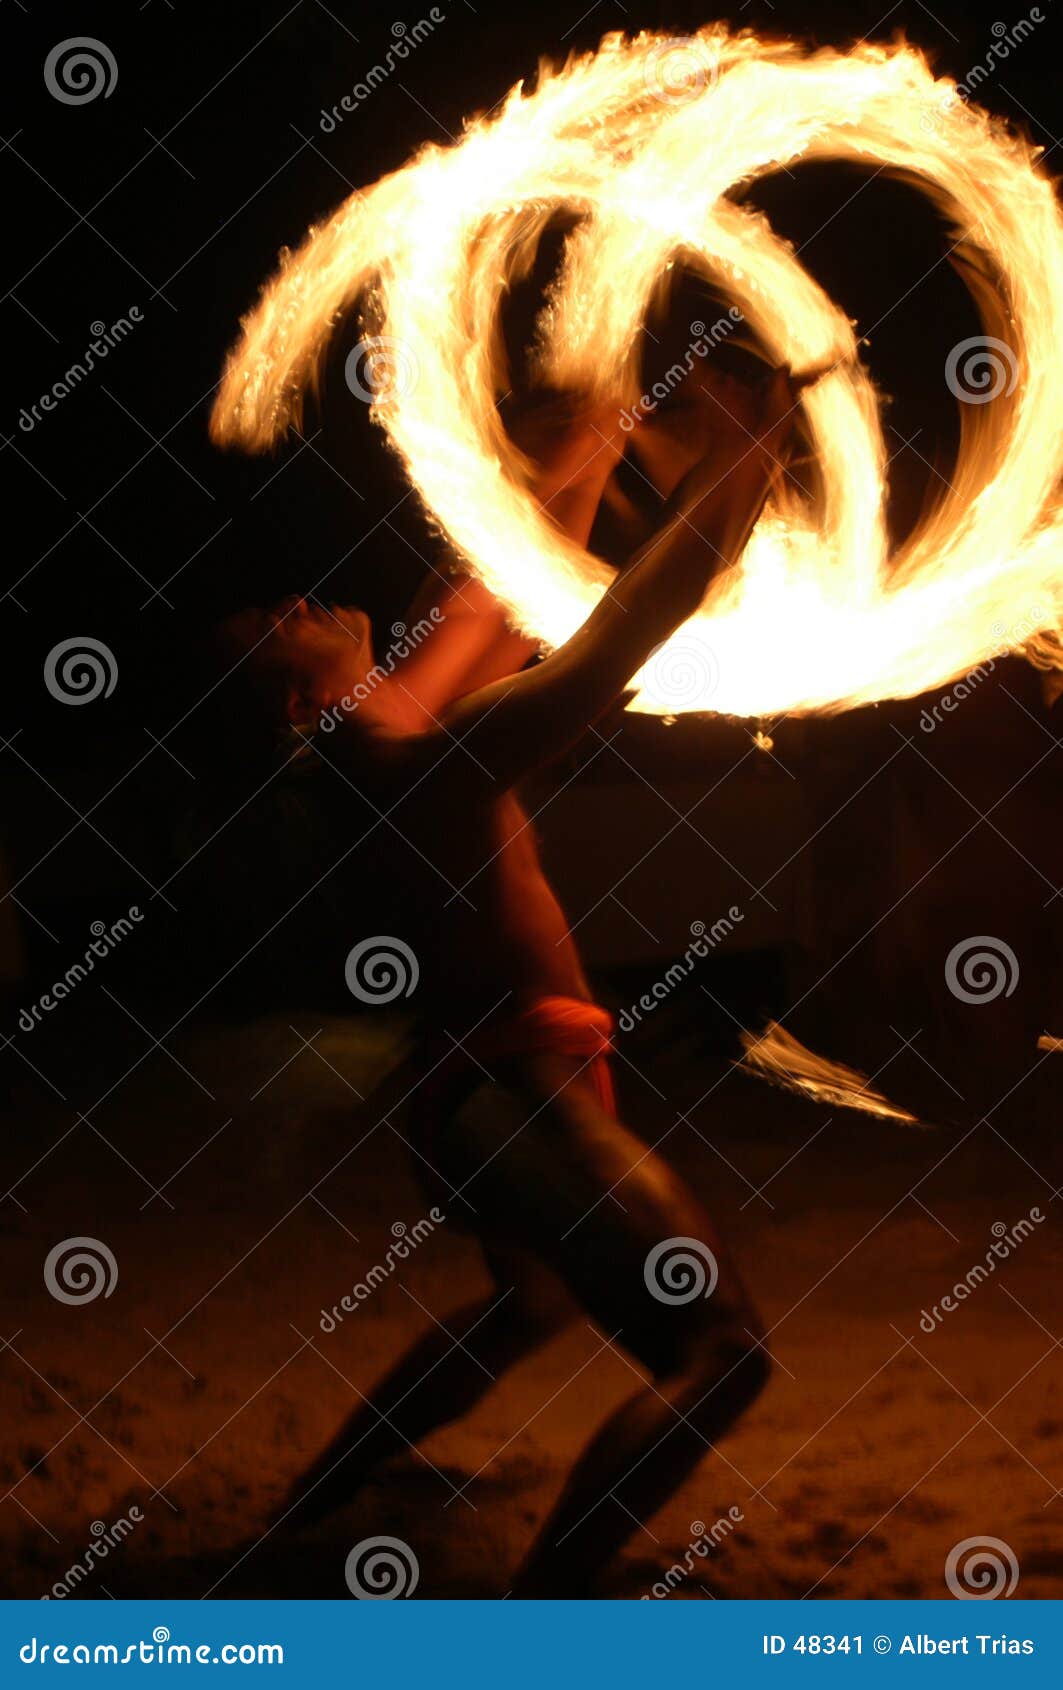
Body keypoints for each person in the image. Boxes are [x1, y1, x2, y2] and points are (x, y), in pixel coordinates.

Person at [216, 361, 803, 1595]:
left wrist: (588, 444)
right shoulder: (415, 769)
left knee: (531, 1303)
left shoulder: (392, 736)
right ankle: (543, 1622)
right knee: (721, 1348)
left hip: (486, 1091)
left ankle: (313, 1500)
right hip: (508, 1096)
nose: (298, 597)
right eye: (276, 622)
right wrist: (745, 454)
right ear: (296, 702)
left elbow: (501, 587)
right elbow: (627, 625)